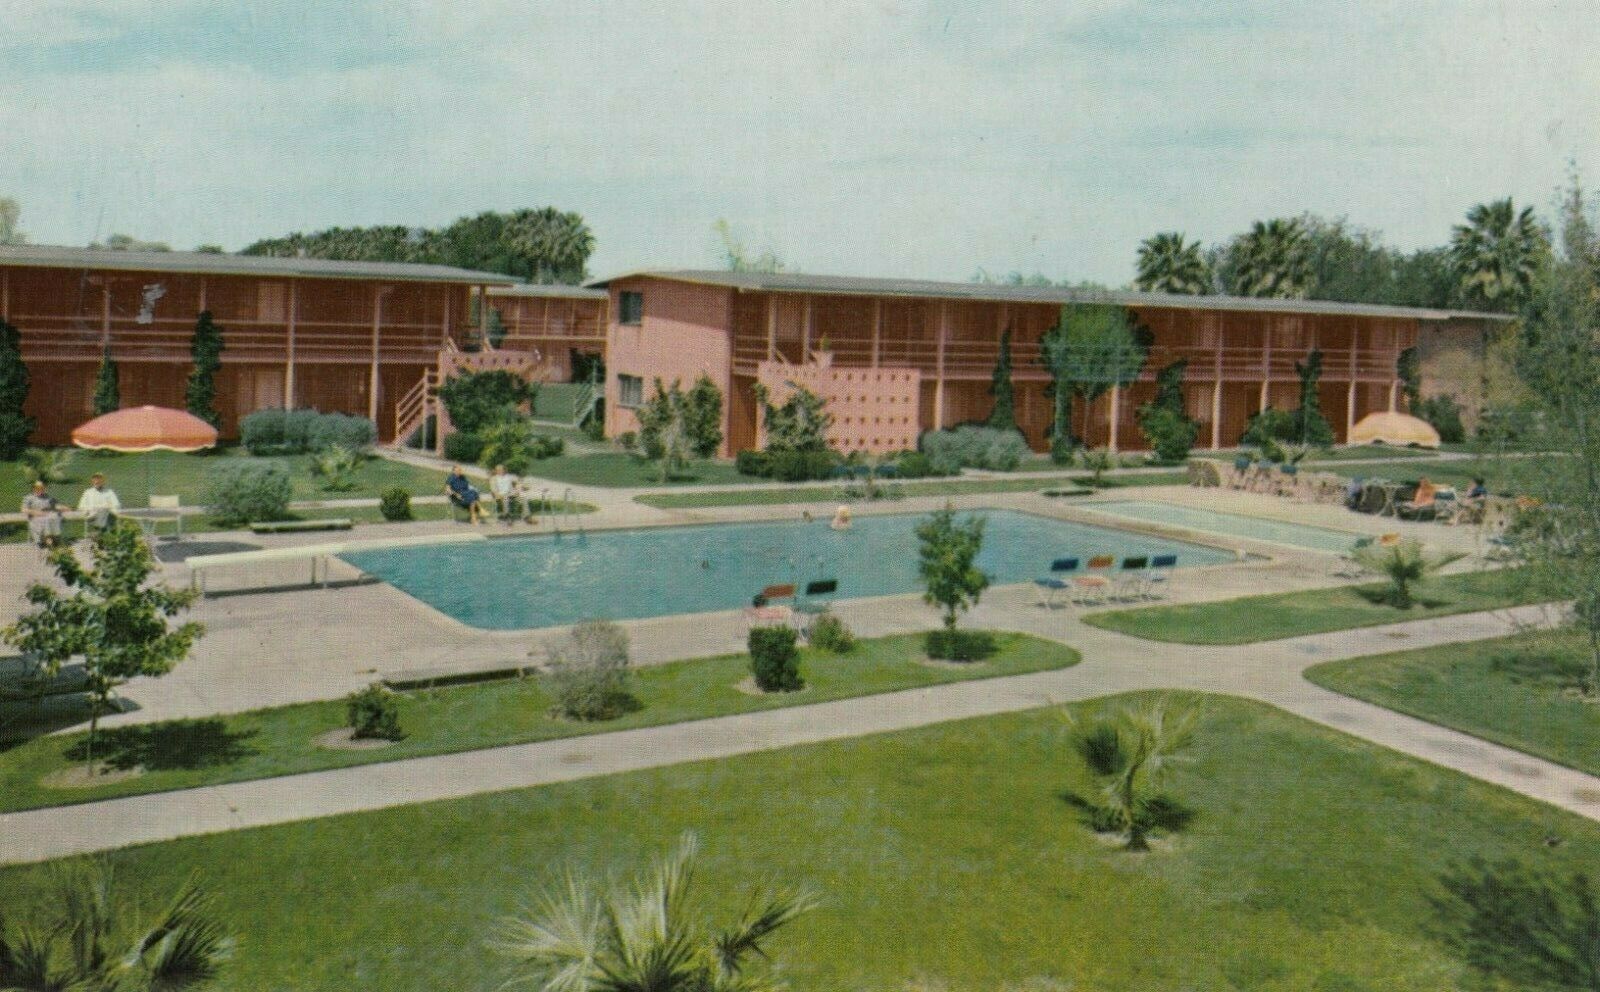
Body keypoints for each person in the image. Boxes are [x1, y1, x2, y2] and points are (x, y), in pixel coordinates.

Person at [21, 480, 64, 547]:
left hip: (47, 515)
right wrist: (38, 513)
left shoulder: (46, 497)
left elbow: (55, 506)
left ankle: (53, 537)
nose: (40, 490)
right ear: (34, 488)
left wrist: (66, 508)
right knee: (46, 520)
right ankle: (49, 540)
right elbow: (24, 509)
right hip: (35, 517)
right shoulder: (29, 498)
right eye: (38, 488)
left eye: (42, 488)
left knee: (55, 517)